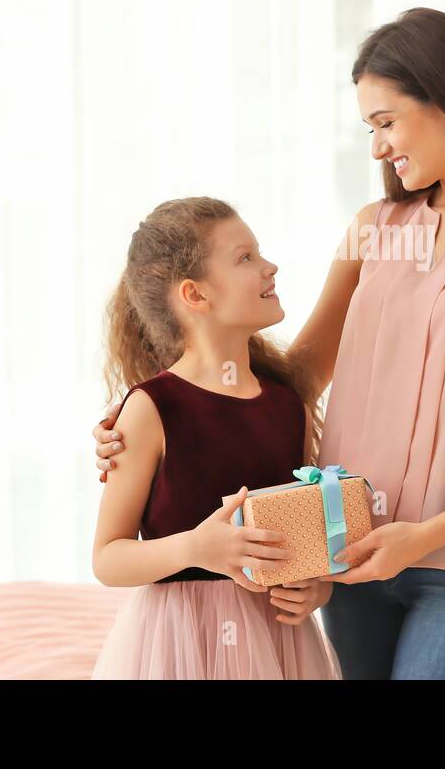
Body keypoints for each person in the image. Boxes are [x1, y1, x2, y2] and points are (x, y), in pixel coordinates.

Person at [95, 8, 445, 679]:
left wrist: (424, 537)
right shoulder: (375, 228)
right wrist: (148, 415)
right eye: (369, 129)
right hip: (347, 564)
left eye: (386, 122)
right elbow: (293, 379)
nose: (377, 148)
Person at [90, 197, 341, 679]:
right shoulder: (149, 409)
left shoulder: (289, 406)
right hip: (181, 645)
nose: (270, 267)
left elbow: (304, 537)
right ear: (195, 295)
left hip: (280, 641)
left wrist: (317, 586)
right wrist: (195, 549)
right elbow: (107, 558)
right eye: (245, 257)